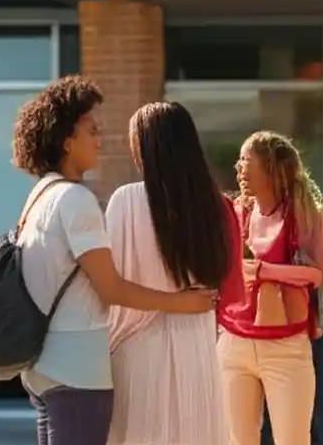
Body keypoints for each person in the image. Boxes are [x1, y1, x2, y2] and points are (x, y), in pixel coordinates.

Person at [11, 75, 217, 444]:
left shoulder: (40, 198)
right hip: (77, 365)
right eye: (92, 130)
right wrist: (179, 303)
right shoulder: (76, 200)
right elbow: (110, 286)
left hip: (47, 362)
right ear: (66, 140)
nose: (101, 140)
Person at [103, 102, 246, 444]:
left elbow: (109, 284)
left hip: (135, 349)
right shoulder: (217, 205)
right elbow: (233, 293)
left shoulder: (125, 201)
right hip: (196, 346)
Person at [218, 131, 323, 445]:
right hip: (233, 344)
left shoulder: (305, 214)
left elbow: (316, 274)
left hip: (286, 346)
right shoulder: (235, 214)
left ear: (271, 168)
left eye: (246, 160)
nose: (239, 168)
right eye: (238, 160)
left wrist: (265, 271)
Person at [261, 186, 323, 445]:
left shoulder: (312, 220)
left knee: (312, 404)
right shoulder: (272, 220)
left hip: (302, 330)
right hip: (297, 330)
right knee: (314, 404)